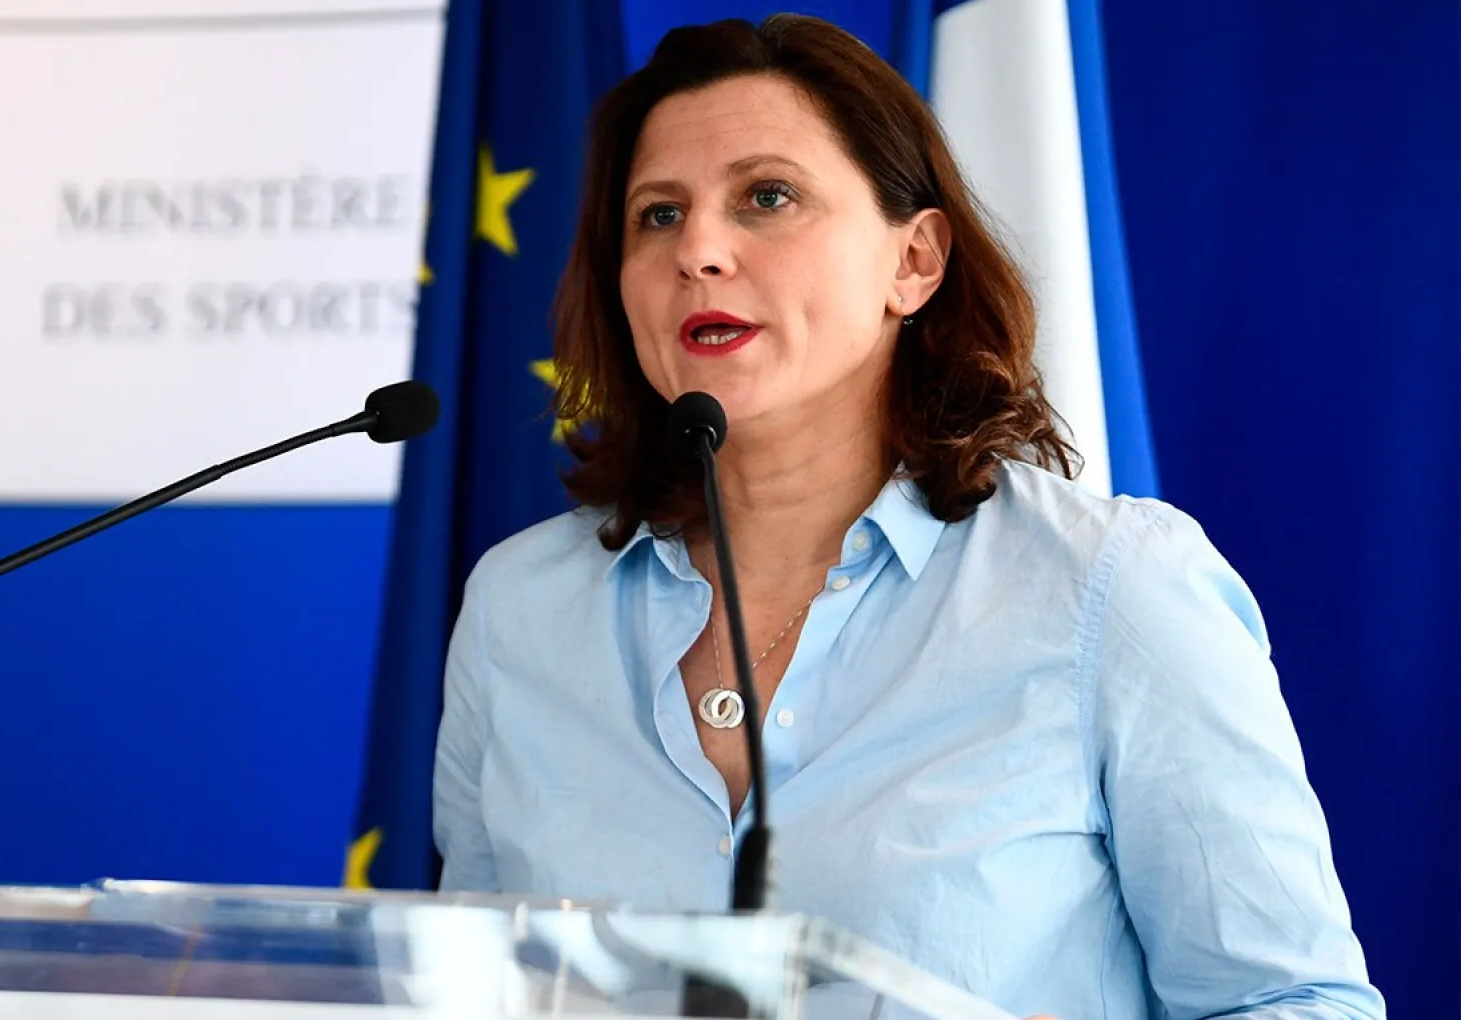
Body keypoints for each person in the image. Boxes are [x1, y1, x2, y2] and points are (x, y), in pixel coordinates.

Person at [431, 14, 1384, 1020]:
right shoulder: (520, 609)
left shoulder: (1106, 589)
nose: (698, 249)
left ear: (914, 263)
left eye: (767, 196)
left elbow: (1301, 1002)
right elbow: (455, 988)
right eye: (657, 214)